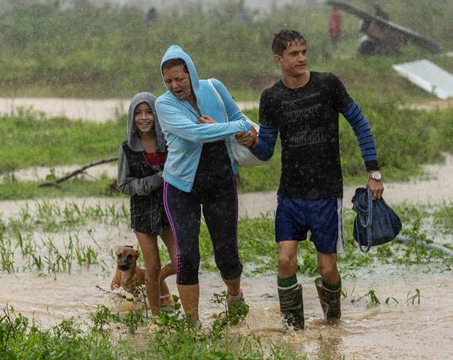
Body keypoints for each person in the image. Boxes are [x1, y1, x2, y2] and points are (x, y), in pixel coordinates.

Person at [249, 29, 385, 330]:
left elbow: (360, 126)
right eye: (294, 54)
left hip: (326, 194)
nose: (301, 58)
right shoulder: (271, 98)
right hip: (290, 194)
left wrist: (373, 173)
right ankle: (293, 331)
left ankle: (333, 324)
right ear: (278, 59)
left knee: (328, 268)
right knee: (285, 261)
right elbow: (266, 150)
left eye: (303, 52)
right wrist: (247, 140)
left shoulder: (328, 85)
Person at [154, 44, 256, 324]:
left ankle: (235, 295)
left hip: (221, 181)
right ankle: (192, 324)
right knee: (187, 256)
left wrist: (240, 128)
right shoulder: (164, 104)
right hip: (181, 188)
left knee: (227, 253)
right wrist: (236, 129)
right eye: (169, 81)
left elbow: (237, 116)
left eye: (180, 79)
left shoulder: (214, 88)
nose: (175, 86)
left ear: (191, 73)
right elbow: (196, 133)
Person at [116, 92, 177, 316]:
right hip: (142, 212)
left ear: (157, 114)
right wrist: (154, 180)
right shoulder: (127, 148)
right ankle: (156, 319)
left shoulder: (170, 141)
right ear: (132, 118)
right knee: (151, 266)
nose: (144, 117)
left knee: (181, 261)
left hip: (170, 210)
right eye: (138, 113)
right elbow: (123, 185)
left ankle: (156, 280)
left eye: (149, 111)